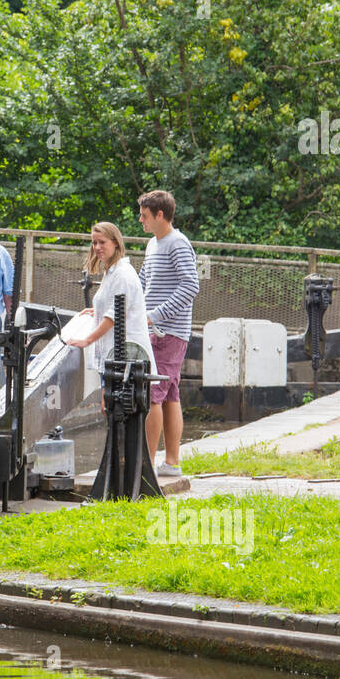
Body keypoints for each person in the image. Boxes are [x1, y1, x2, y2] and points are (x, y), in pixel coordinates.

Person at [137, 190, 200, 476]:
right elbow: (142, 283)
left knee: (152, 393)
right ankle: (171, 463)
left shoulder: (178, 243)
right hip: (155, 329)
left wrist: (154, 316)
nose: (141, 220)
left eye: (145, 215)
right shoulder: (153, 244)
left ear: (160, 214)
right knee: (170, 395)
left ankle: (147, 465)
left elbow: (190, 287)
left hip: (167, 332)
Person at [65, 222, 154, 410]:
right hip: (112, 355)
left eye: (102, 242)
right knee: (110, 406)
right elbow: (112, 306)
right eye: (94, 243)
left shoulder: (122, 275)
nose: (97, 247)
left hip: (125, 355)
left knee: (117, 409)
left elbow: (114, 316)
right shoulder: (111, 272)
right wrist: (96, 311)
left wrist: (86, 340)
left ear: (115, 243)